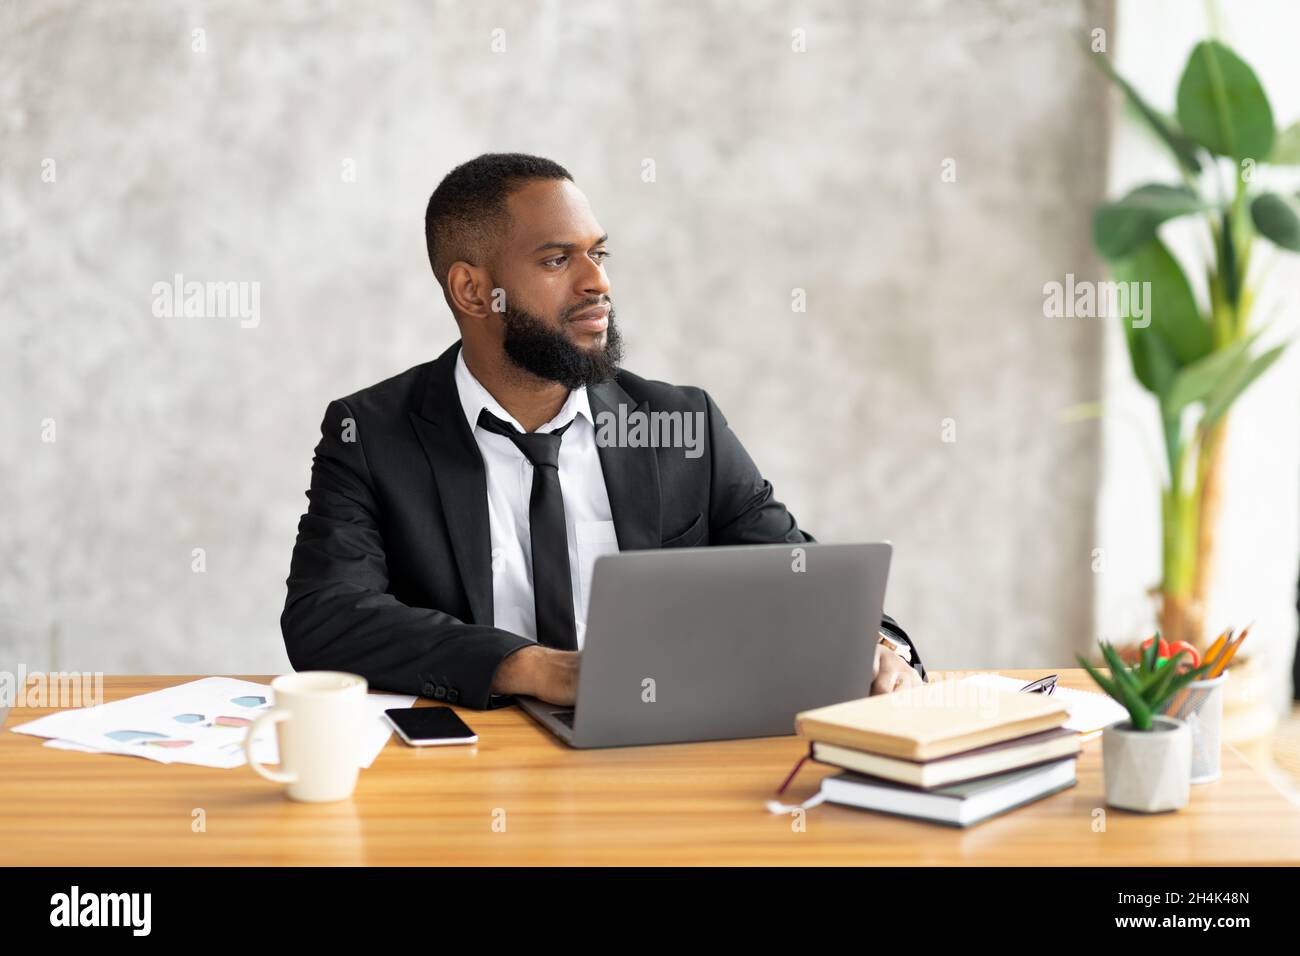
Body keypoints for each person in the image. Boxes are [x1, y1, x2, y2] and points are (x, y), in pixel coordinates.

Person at [281, 152, 925, 710]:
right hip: (475, 767)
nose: (598, 282)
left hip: (659, 759)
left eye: (599, 253)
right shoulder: (369, 433)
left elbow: (798, 572)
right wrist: (533, 667)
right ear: (474, 291)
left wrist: (878, 645)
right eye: (558, 259)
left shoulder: (680, 425)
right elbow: (327, 617)